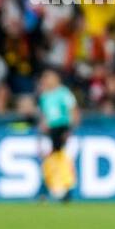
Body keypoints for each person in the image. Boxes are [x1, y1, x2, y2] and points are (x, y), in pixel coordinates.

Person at [37, 69, 79, 201]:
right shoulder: (44, 96)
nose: (46, 80)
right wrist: (42, 126)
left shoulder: (64, 93)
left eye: (48, 77)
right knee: (49, 160)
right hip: (49, 132)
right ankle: (48, 188)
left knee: (62, 160)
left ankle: (65, 190)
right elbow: (44, 115)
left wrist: (69, 130)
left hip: (62, 129)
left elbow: (73, 112)